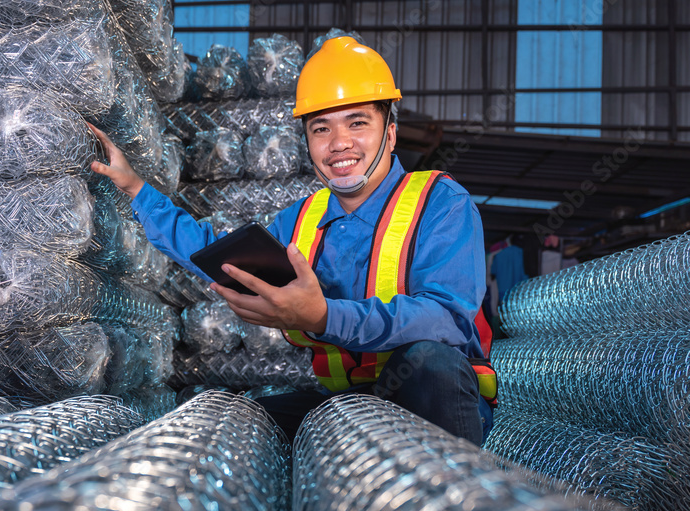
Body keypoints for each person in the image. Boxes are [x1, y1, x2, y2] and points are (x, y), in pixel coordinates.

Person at [90, 36, 496, 445]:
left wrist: (323, 318)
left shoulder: (441, 202)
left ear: (390, 133)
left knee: (431, 361)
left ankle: (460, 503)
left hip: (427, 398)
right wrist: (138, 190)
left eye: (357, 122)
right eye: (321, 128)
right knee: (233, 427)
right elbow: (220, 253)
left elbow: (445, 319)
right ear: (307, 144)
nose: (339, 143)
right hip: (349, 402)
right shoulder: (304, 219)